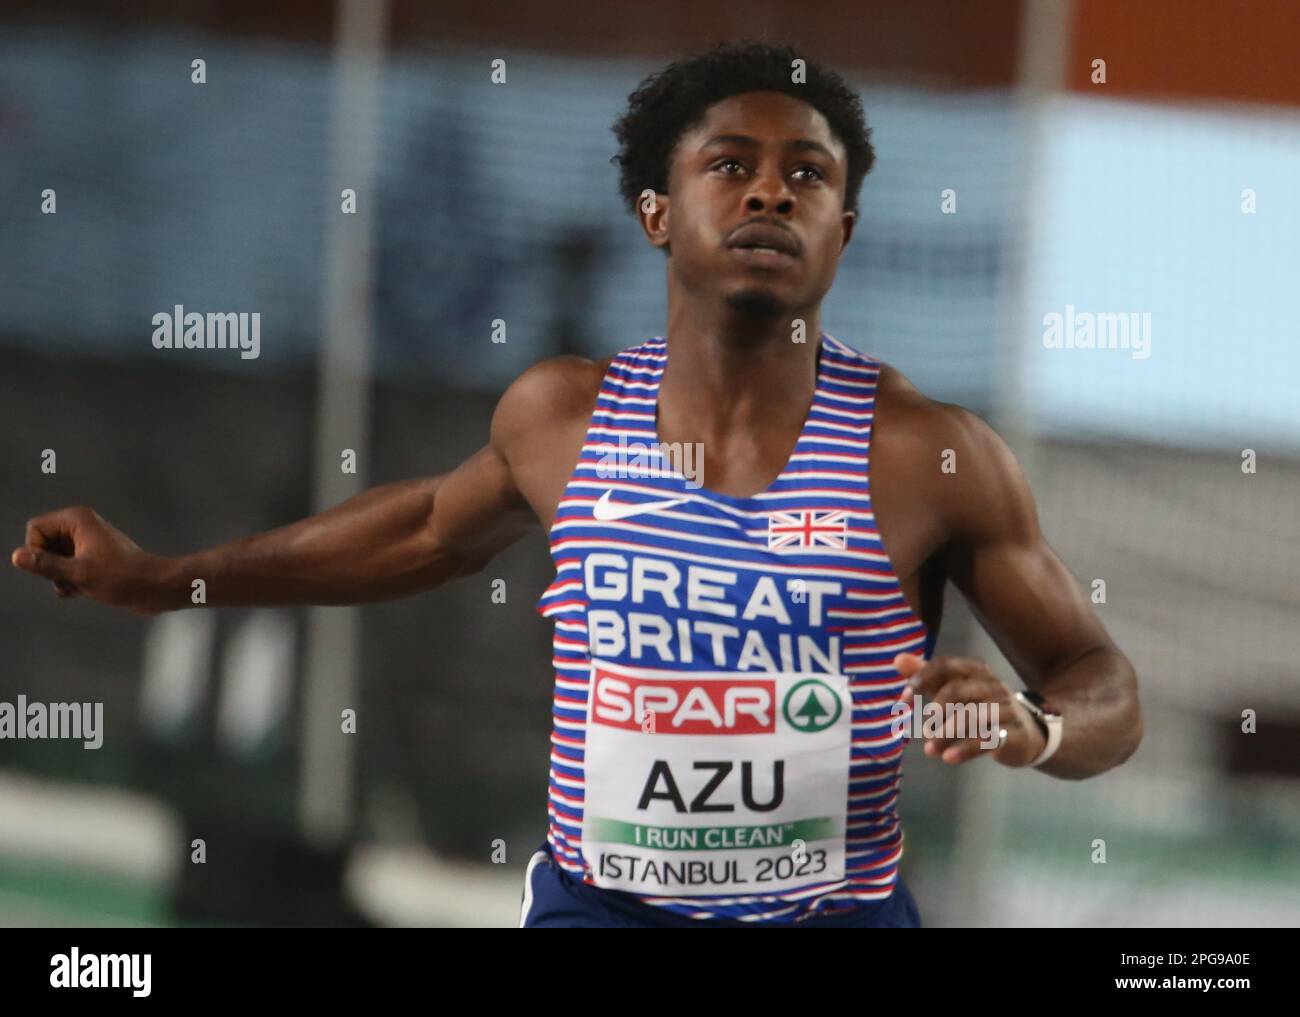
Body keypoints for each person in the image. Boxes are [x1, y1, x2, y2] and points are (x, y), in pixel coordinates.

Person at [11, 41, 1142, 928]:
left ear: (843, 228)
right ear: (656, 212)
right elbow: (422, 528)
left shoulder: (927, 454)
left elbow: (1102, 685)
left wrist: (1034, 730)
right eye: (729, 167)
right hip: (600, 914)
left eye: (808, 177)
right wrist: (169, 580)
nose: (770, 195)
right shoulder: (559, 415)